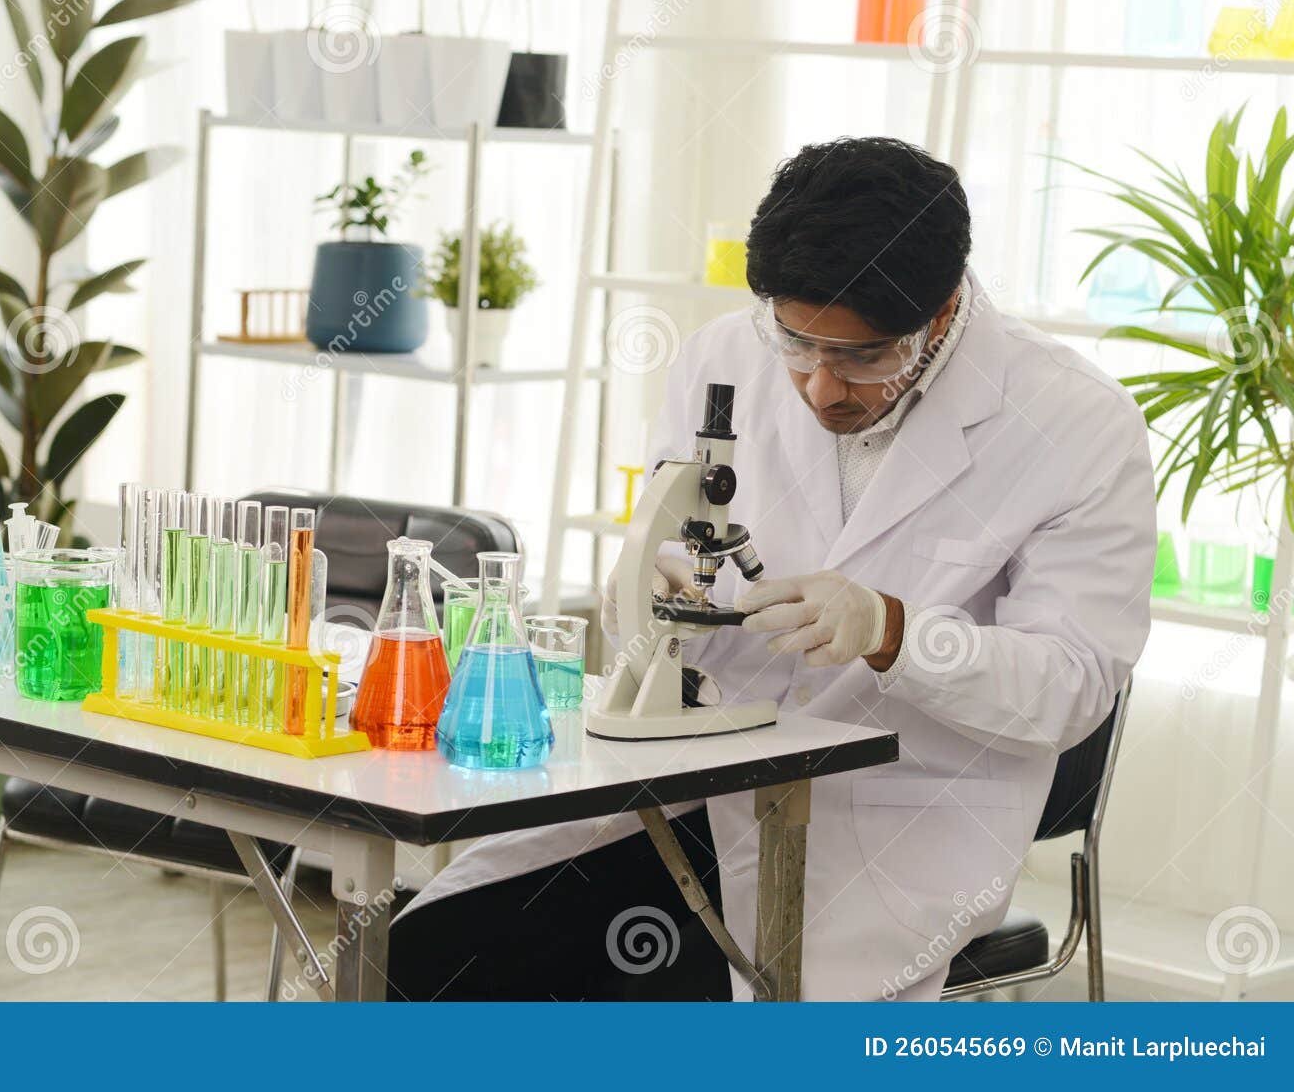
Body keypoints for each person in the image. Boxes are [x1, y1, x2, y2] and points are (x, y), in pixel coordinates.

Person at [389, 136, 1156, 1001]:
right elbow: (672, 536)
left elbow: (1074, 682)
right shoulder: (724, 357)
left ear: (942, 313)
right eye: (797, 343)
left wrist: (893, 631)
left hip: (881, 827)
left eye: (865, 358)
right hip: (688, 787)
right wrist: (647, 586)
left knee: (676, 996)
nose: (822, 388)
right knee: (430, 954)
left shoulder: (1076, 422)